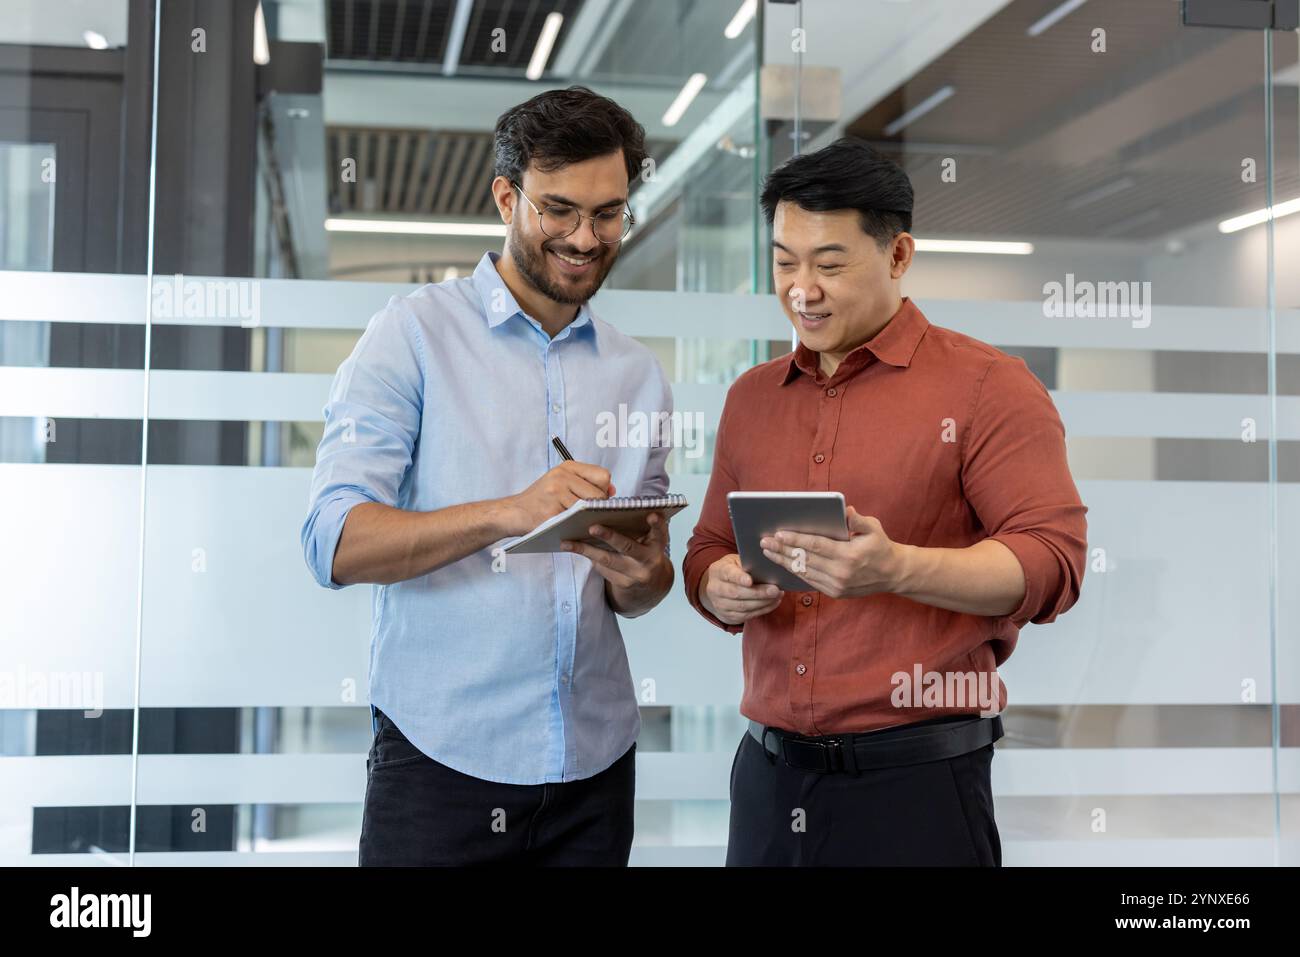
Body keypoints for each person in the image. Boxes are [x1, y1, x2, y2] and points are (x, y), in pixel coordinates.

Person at [682, 138, 1088, 866]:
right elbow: (707, 548)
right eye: (784, 261)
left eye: (829, 264)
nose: (801, 289)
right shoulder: (751, 398)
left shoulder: (988, 386)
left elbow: (1052, 563)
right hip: (768, 783)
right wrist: (717, 584)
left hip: (917, 789)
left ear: (898, 255)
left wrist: (895, 567)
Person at [301, 86, 676, 866]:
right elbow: (333, 541)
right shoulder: (411, 337)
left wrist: (645, 572)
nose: (585, 237)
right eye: (559, 210)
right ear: (506, 197)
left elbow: (636, 594)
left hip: (595, 767)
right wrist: (511, 512)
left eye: (609, 214)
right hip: (441, 766)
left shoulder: (638, 377)